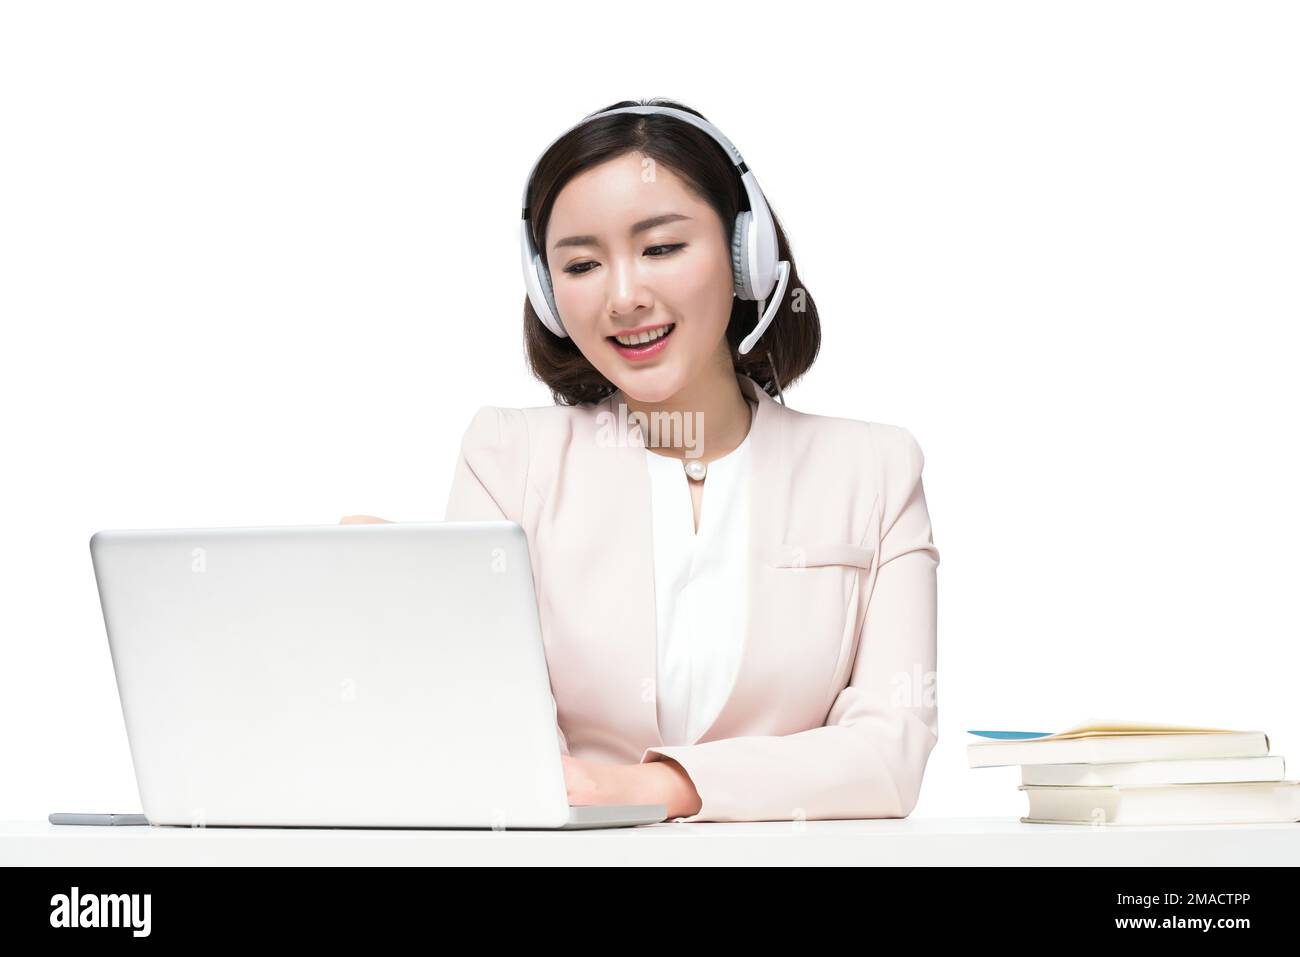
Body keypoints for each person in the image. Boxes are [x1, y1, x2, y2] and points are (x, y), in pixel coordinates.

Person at [342, 98, 940, 823]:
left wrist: (655, 787)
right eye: (583, 264)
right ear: (549, 294)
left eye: (661, 248)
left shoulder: (874, 469)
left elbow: (888, 753)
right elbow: (489, 734)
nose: (624, 297)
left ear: (744, 257)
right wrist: (410, 615)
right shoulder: (507, 459)